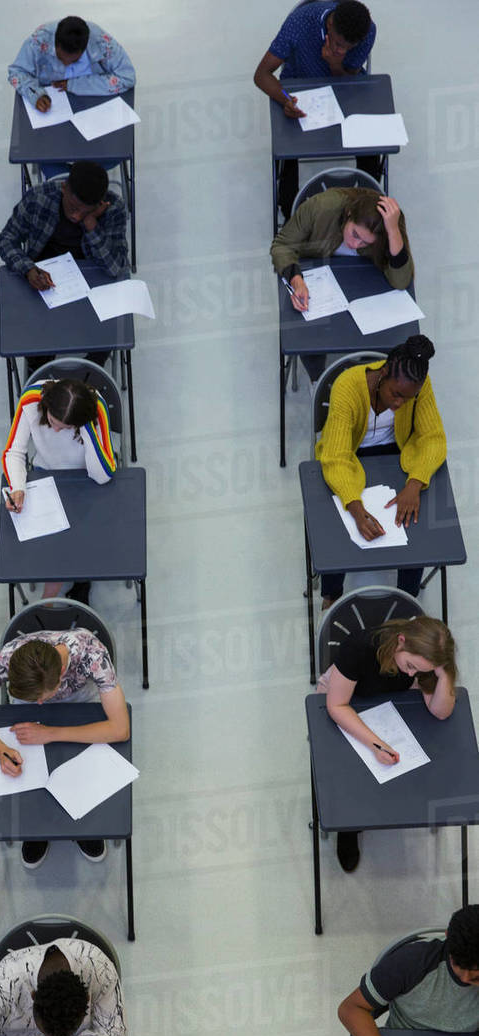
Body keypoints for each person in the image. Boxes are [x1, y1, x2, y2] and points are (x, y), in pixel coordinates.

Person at [0, 626, 129, 868]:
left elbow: (120, 729)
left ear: (61, 674)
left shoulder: (92, 654)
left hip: (80, 706)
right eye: (35, 698)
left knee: (82, 773)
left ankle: (84, 829)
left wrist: (51, 733)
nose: (39, 703)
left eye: (42, 697)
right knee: (27, 775)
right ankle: (36, 831)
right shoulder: (10, 657)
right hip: (26, 713)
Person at [317, 615, 457, 871]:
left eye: (420, 671)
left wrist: (443, 672)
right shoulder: (360, 647)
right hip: (347, 699)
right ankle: (348, 828)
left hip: (389, 705)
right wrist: (376, 745)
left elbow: (440, 712)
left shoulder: (423, 663)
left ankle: (379, 803)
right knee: (348, 771)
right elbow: (336, 705)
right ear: (400, 641)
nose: (412, 674)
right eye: (410, 665)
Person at [315, 336, 444, 607]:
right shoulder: (348, 386)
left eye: (407, 398)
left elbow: (433, 438)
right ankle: (331, 595)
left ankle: (407, 598)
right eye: (395, 394)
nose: (399, 403)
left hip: (397, 455)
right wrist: (355, 507)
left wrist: (415, 483)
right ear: (383, 374)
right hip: (351, 453)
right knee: (338, 522)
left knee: (414, 517)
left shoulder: (420, 386)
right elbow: (336, 456)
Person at [338, 905, 479, 1036]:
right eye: (458, 965)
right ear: (448, 938)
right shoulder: (412, 962)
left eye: (476, 975)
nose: (464, 978)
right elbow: (350, 1009)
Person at [270, 185, 412, 381]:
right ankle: (318, 380)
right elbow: (282, 246)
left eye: (366, 243)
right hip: (318, 282)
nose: (355, 244)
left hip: (361, 289)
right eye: (355, 234)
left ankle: (366, 377)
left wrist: (393, 231)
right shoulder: (320, 207)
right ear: (349, 214)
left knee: (387, 341)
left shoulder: (391, 224)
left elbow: (401, 280)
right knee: (310, 340)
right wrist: (296, 280)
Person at [0, 161, 127, 375]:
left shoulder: (113, 209)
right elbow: (6, 240)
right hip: (45, 277)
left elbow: (116, 267)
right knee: (38, 343)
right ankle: (40, 370)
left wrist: (92, 225)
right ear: (64, 188)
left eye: (86, 211)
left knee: (106, 336)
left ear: (98, 204)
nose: (76, 216)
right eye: (73, 207)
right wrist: (28, 269)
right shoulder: (39, 198)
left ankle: (89, 378)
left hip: (92, 279)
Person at [253, 2, 377, 218]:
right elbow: (261, 75)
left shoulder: (367, 31)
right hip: (300, 89)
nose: (342, 51)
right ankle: (290, 211)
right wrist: (286, 100)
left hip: (344, 89)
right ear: (330, 25)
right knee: (288, 152)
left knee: (372, 145)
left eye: (348, 48)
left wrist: (335, 64)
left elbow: (350, 79)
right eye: (338, 43)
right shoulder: (299, 23)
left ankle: (367, 206)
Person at [3, 377, 116, 605]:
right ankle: (51, 597)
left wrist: (87, 428)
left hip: (83, 479)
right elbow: (13, 452)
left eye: (65, 427)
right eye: (53, 421)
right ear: (46, 405)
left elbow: (103, 474)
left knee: (79, 535)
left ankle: (54, 596)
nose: (55, 429)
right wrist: (17, 488)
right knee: (53, 538)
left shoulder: (97, 408)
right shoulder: (30, 399)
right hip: (45, 473)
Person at [8, 16, 135, 111]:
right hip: (52, 97)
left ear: (84, 48)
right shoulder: (39, 40)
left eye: (75, 61)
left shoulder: (101, 41)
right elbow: (17, 72)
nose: (66, 65)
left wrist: (76, 84)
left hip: (91, 98)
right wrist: (35, 94)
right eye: (60, 59)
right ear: (55, 44)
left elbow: (127, 77)